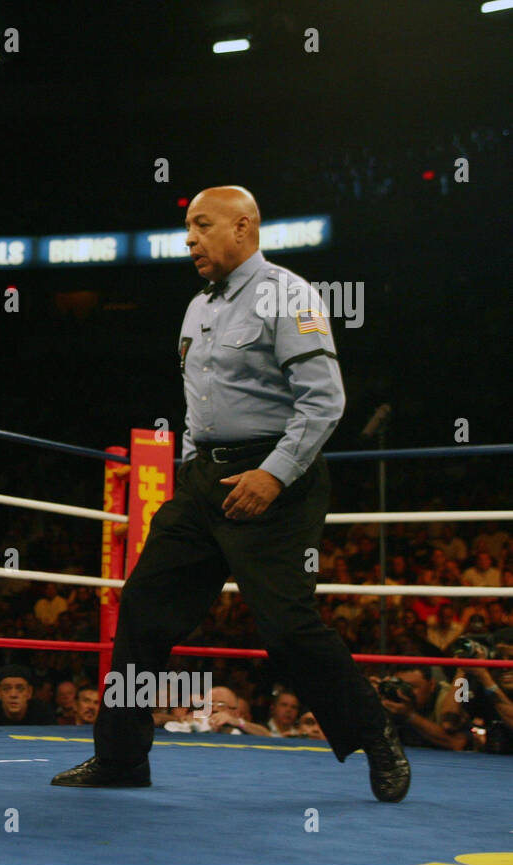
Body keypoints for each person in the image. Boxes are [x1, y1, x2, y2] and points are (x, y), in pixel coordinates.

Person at [51, 186, 409, 801]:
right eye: (188, 228)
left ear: (243, 227)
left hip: (277, 479)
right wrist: (193, 469)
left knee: (288, 627)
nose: (189, 238)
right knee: (142, 608)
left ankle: (375, 734)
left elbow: (325, 401)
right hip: (204, 482)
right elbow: (201, 409)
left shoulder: (289, 294)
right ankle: (121, 758)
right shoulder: (197, 308)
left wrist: (273, 474)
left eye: (201, 225)